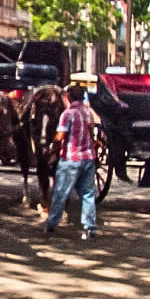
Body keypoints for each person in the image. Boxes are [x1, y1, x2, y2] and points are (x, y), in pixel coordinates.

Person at [44, 84, 98, 240]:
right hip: (88, 158)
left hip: (70, 159)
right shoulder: (88, 112)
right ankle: (90, 227)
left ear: (69, 97)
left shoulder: (67, 114)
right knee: (88, 193)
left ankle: (52, 224)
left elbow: (60, 136)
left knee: (61, 193)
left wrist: (51, 146)